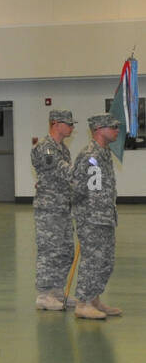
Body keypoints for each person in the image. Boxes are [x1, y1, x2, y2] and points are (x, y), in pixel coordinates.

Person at [70, 114, 122, 320]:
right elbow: (81, 188)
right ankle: (83, 303)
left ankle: (94, 299)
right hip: (92, 217)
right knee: (92, 260)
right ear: (99, 129)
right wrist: (86, 214)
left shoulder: (103, 153)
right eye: (113, 127)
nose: (117, 130)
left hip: (105, 215)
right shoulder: (91, 155)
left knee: (105, 261)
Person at [31, 109, 76, 311]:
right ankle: (44, 294)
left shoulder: (62, 148)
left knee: (65, 250)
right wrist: (88, 165)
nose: (72, 127)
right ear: (56, 124)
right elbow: (62, 171)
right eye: (69, 124)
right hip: (49, 208)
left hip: (63, 207)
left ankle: (57, 290)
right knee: (49, 250)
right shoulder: (46, 148)